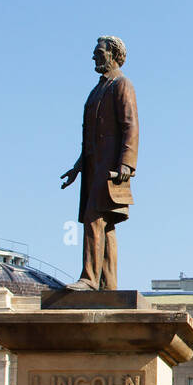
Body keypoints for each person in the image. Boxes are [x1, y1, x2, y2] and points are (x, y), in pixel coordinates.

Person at [60, 36, 139, 290]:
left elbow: (131, 125)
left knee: (95, 219)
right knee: (105, 225)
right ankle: (108, 284)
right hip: (94, 167)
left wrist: (127, 164)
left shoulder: (121, 84)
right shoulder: (97, 89)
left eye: (99, 52)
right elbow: (90, 137)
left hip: (110, 168)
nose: (94, 56)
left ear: (113, 55)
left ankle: (89, 279)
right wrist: (78, 167)